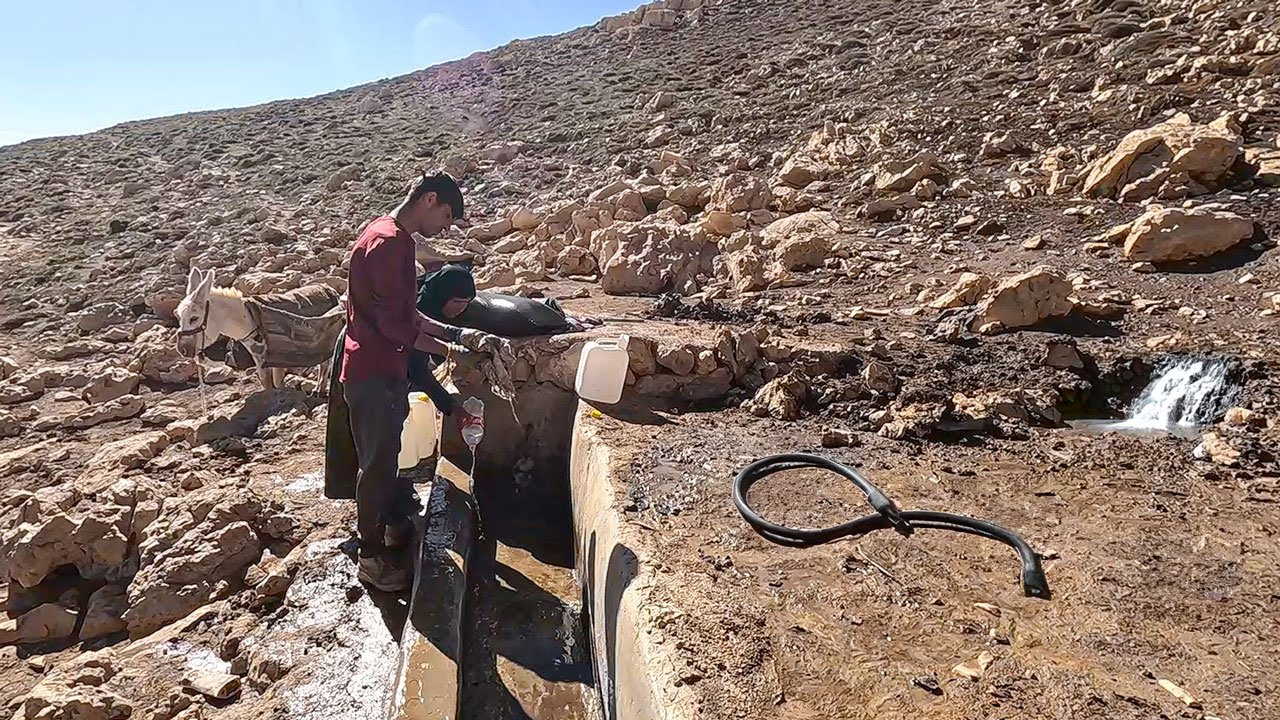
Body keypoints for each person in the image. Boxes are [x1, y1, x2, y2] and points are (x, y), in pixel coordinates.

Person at [341, 172, 494, 592]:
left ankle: (388, 528)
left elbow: (407, 316)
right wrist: (448, 351)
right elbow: (393, 326)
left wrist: (455, 334)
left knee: (385, 458)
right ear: (429, 200)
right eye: (445, 216)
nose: (444, 228)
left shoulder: (392, 237)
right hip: (374, 370)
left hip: (382, 369)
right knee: (376, 466)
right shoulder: (388, 243)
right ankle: (370, 558)